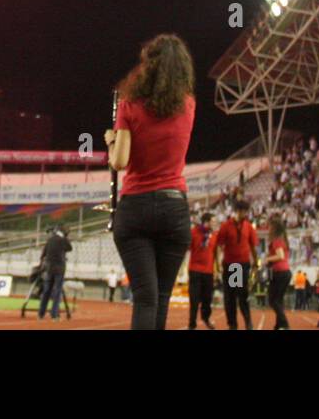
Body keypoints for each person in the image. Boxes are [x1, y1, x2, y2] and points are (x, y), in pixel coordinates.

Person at [107, 34, 196, 330]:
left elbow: (119, 161)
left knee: (145, 299)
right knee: (161, 298)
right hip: (174, 208)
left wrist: (111, 139)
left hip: (136, 208)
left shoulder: (130, 104)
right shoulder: (189, 105)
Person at [215, 199, 258, 329]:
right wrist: (217, 264)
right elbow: (218, 246)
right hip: (231, 266)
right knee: (230, 297)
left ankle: (247, 321)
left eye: (245, 211)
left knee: (242, 295)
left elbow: (253, 246)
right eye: (242, 211)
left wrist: (256, 263)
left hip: (242, 265)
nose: (244, 214)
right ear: (236, 211)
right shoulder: (225, 226)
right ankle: (233, 324)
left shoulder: (249, 227)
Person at [187, 211, 216, 329]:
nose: (215, 223)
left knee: (207, 298)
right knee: (194, 299)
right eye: (213, 221)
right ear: (206, 222)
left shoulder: (214, 235)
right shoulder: (194, 232)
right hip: (195, 270)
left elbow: (216, 252)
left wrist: (218, 269)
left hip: (208, 271)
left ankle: (206, 317)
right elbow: (187, 248)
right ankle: (192, 323)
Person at [37, 225, 72, 320]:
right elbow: (69, 248)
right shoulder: (62, 240)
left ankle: (41, 314)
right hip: (59, 269)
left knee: (46, 291)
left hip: (49, 268)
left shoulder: (50, 240)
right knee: (57, 292)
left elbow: (43, 254)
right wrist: (66, 238)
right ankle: (54, 314)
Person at [265, 215, 291, 330]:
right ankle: (278, 324)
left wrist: (268, 259)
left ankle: (284, 324)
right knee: (278, 300)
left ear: (274, 228)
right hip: (284, 272)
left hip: (279, 272)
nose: (268, 228)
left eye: (270, 226)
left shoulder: (276, 240)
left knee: (273, 300)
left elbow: (280, 256)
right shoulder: (283, 239)